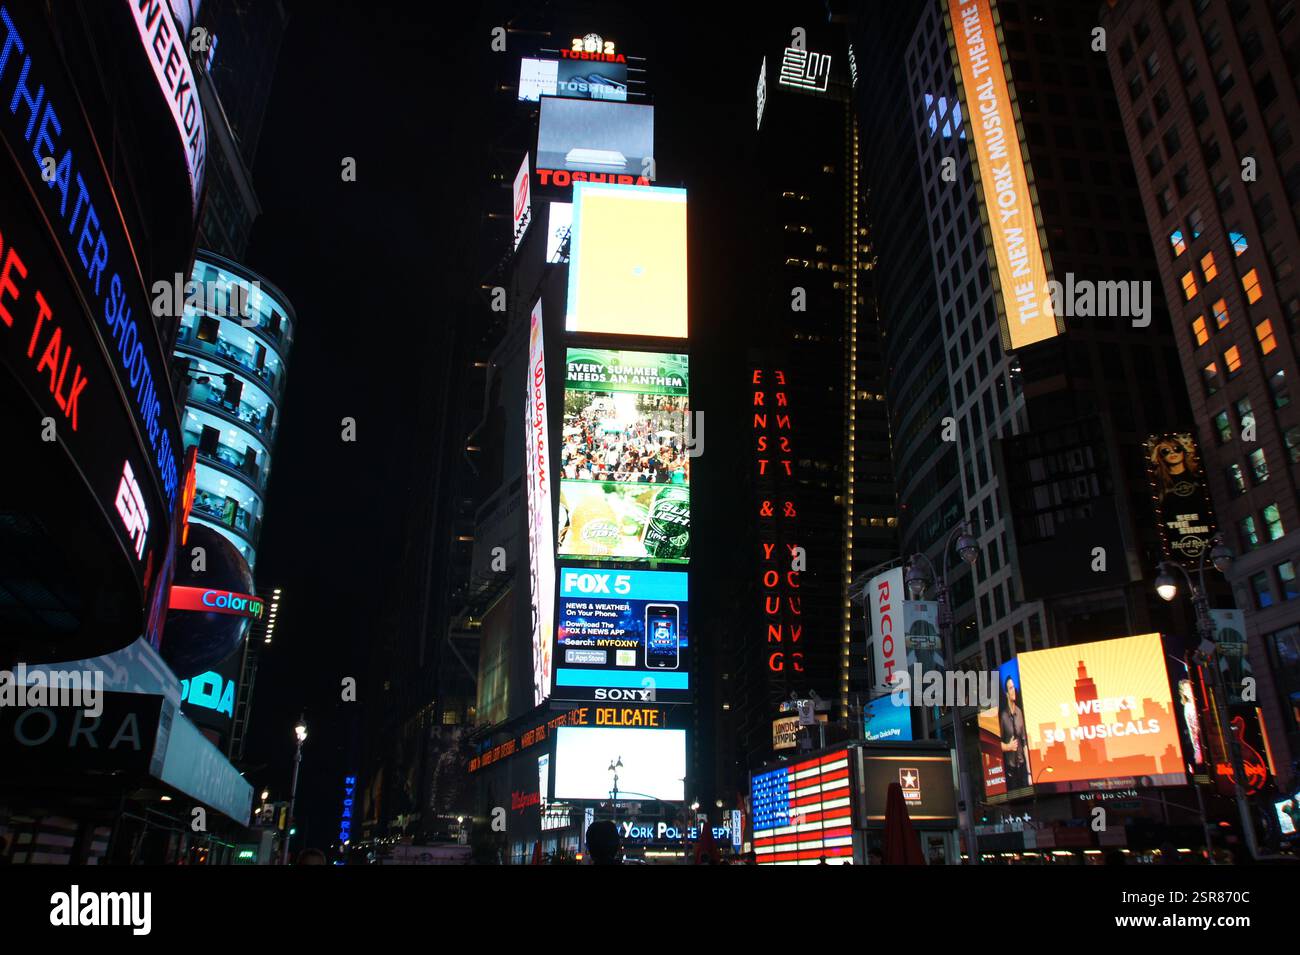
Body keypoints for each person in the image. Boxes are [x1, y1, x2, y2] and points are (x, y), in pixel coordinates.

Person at [999, 675, 1030, 791]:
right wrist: (1008, 746)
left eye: (1014, 687)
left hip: (1022, 768)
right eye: (1011, 688)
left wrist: (1029, 772)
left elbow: (1025, 742)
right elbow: (995, 744)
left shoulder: (1019, 712)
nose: (1014, 690)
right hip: (1011, 769)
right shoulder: (1003, 717)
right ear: (1007, 693)